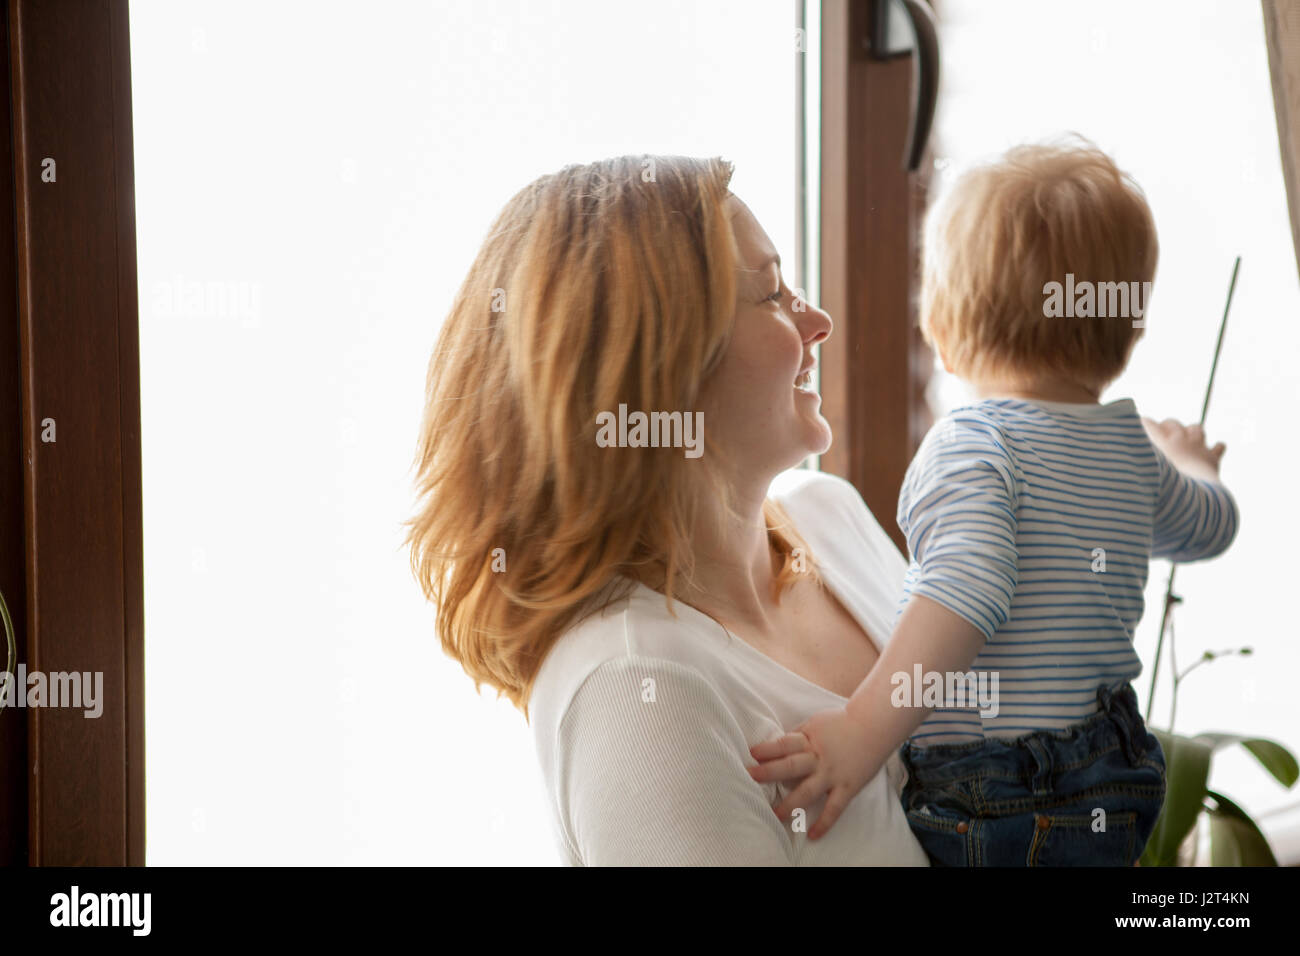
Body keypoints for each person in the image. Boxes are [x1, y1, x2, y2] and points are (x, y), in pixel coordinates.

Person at [405, 154, 928, 864]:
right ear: (660, 367)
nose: (819, 321)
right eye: (772, 295)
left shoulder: (833, 519)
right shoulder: (637, 686)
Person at [748, 138, 1240, 866]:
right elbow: (1211, 525)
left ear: (943, 330)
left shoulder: (974, 445)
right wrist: (1191, 458)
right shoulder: (1131, 452)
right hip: (1118, 775)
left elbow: (967, 594)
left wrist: (861, 730)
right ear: (1128, 327)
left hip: (1001, 793)